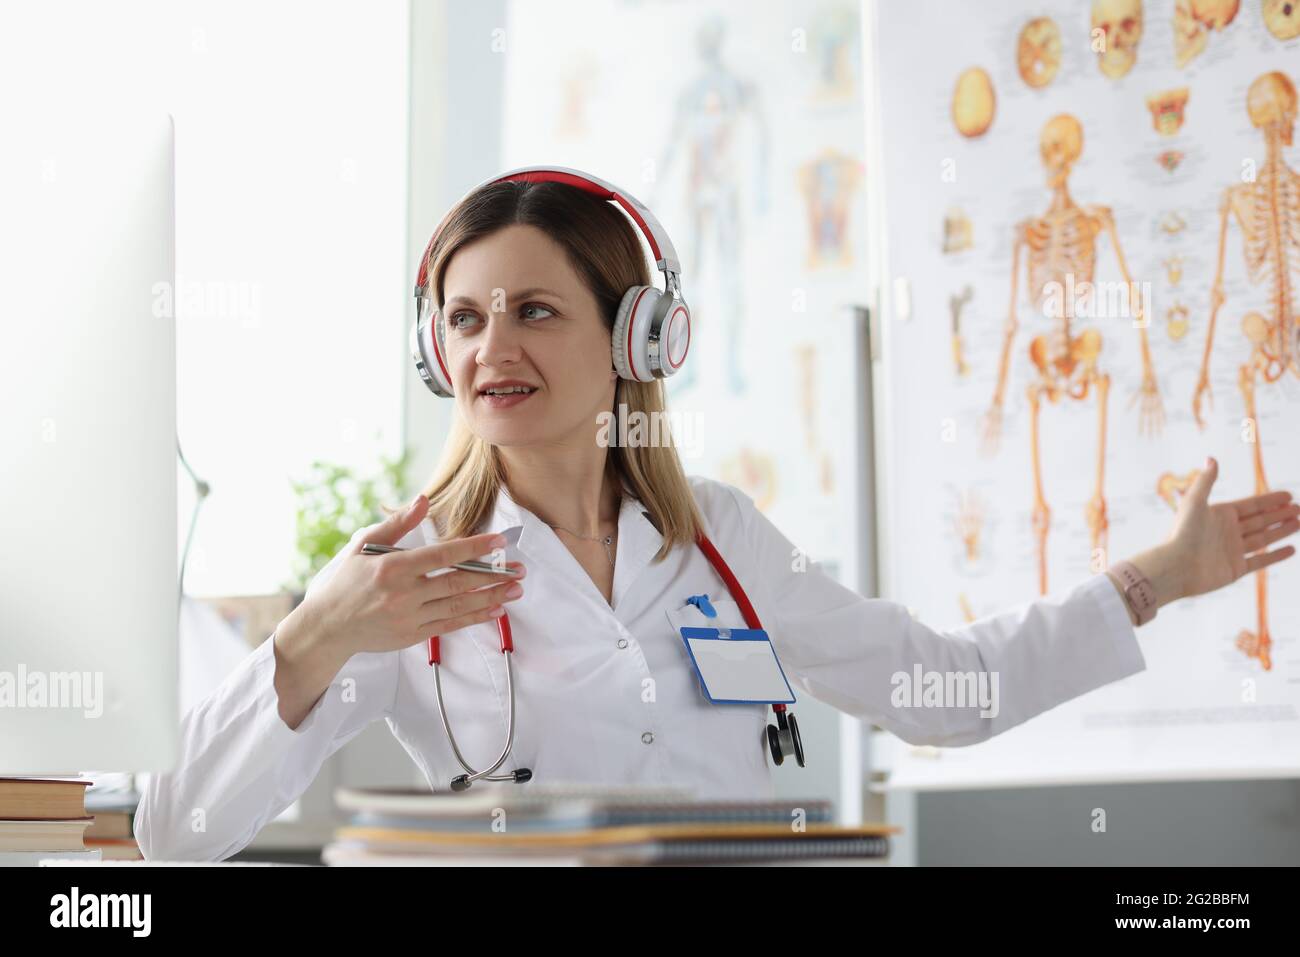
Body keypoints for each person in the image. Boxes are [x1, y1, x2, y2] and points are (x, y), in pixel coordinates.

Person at [135, 173, 1299, 862]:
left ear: (638, 338)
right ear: (434, 349)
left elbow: (945, 693)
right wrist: (311, 636)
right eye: (464, 317)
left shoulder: (722, 542)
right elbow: (177, 828)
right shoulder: (402, 576)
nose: (492, 347)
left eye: (535, 310)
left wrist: (1155, 579)